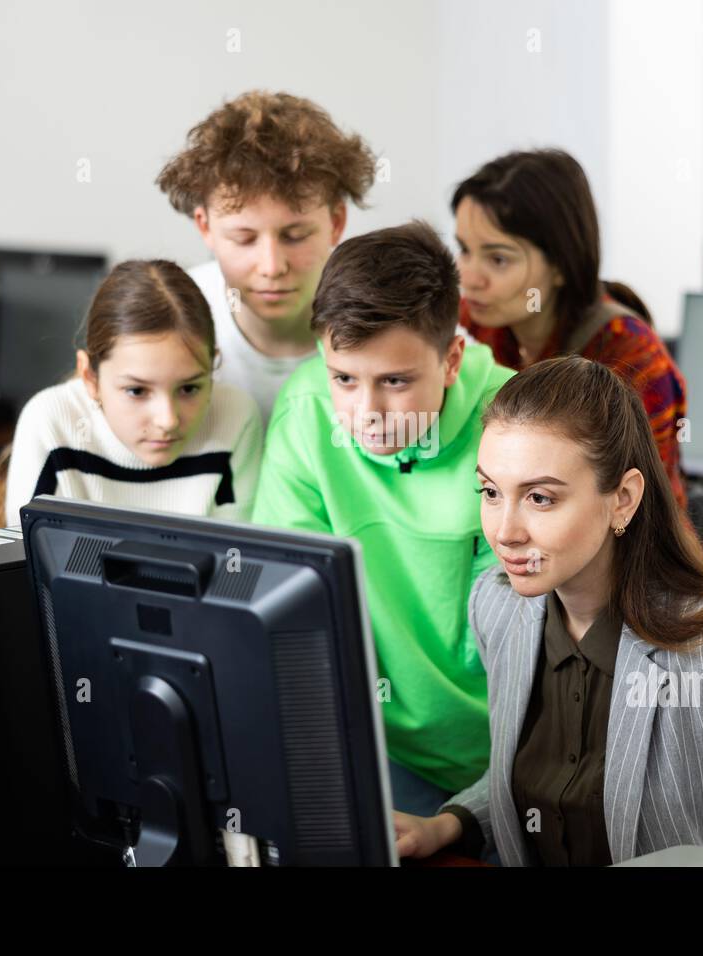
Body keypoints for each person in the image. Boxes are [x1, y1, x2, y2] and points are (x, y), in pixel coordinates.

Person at [394, 356, 703, 866]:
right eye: (491, 492)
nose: (504, 531)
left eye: (540, 498)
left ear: (624, 499)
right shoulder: (499, 607)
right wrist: (447, 825)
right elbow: (534, 782)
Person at [252, 222, 514, 816]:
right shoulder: (305, 414)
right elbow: (289, 611)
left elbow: (528, 641)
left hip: (510, 759)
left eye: (395, 381)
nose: (366, 414)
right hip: (377, 753)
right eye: (343, 378)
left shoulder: (516, 423)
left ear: (450, 360)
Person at [452, 148, 690, 509]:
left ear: (561, 265)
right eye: (464, 250)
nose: (468, 278)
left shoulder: (630, 356)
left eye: (498, 259)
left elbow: (639, 514)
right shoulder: (474, 324)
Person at [156, 90, 377, 423]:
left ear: (336, 222)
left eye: (296, 236)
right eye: (243, 239)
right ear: (205, 226)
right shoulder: (168, 315)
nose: (272, 267)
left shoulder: (390, 320)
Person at [4, 259, 262, 525]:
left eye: (189, 388)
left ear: (212, 366)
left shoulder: (236, 417)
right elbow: (29, 562)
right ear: (90, 377)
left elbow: (236, 561)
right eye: (137, 391)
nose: (167, 421)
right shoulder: (50, 422)